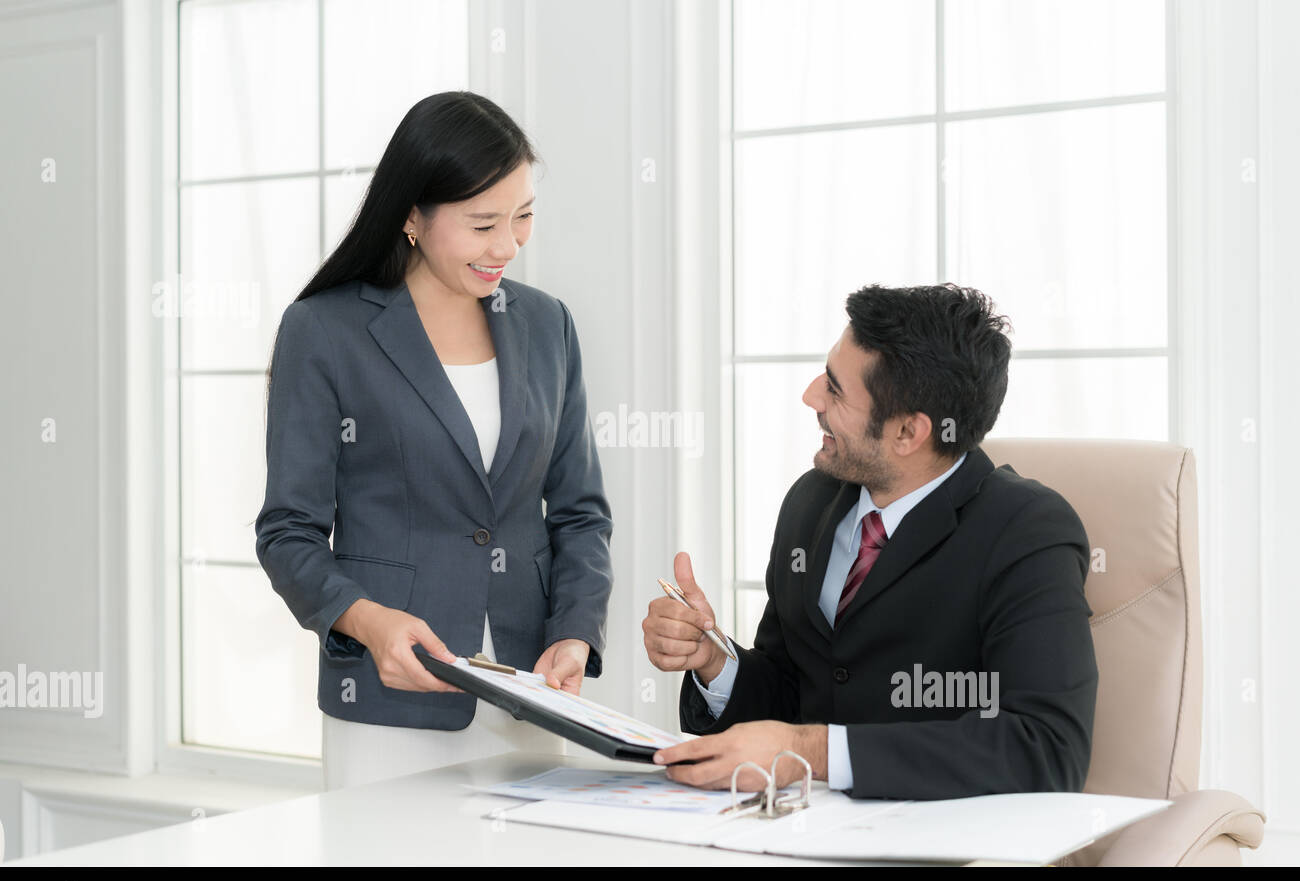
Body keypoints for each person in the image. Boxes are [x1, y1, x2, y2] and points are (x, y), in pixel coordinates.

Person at [256, 92, 613, 790]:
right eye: (483, 224)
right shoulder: (325, 331)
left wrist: (575, 632)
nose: (507, 245)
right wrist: (367, 621)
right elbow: (287, 532)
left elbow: (581, 514)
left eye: (523, 217)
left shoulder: (548, 325)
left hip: (531, 701)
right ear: (413, 218)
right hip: (390, 708)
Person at [642, 284, 1097, 800]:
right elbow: (793, 697)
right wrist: (714, 660)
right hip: (796, 831)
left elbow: (1047, 749)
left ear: (908, 432)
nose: (811, 395)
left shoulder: (1026, 531)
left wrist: (814, 753)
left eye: (835, 389)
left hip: (939, 842)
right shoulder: (811, 501)